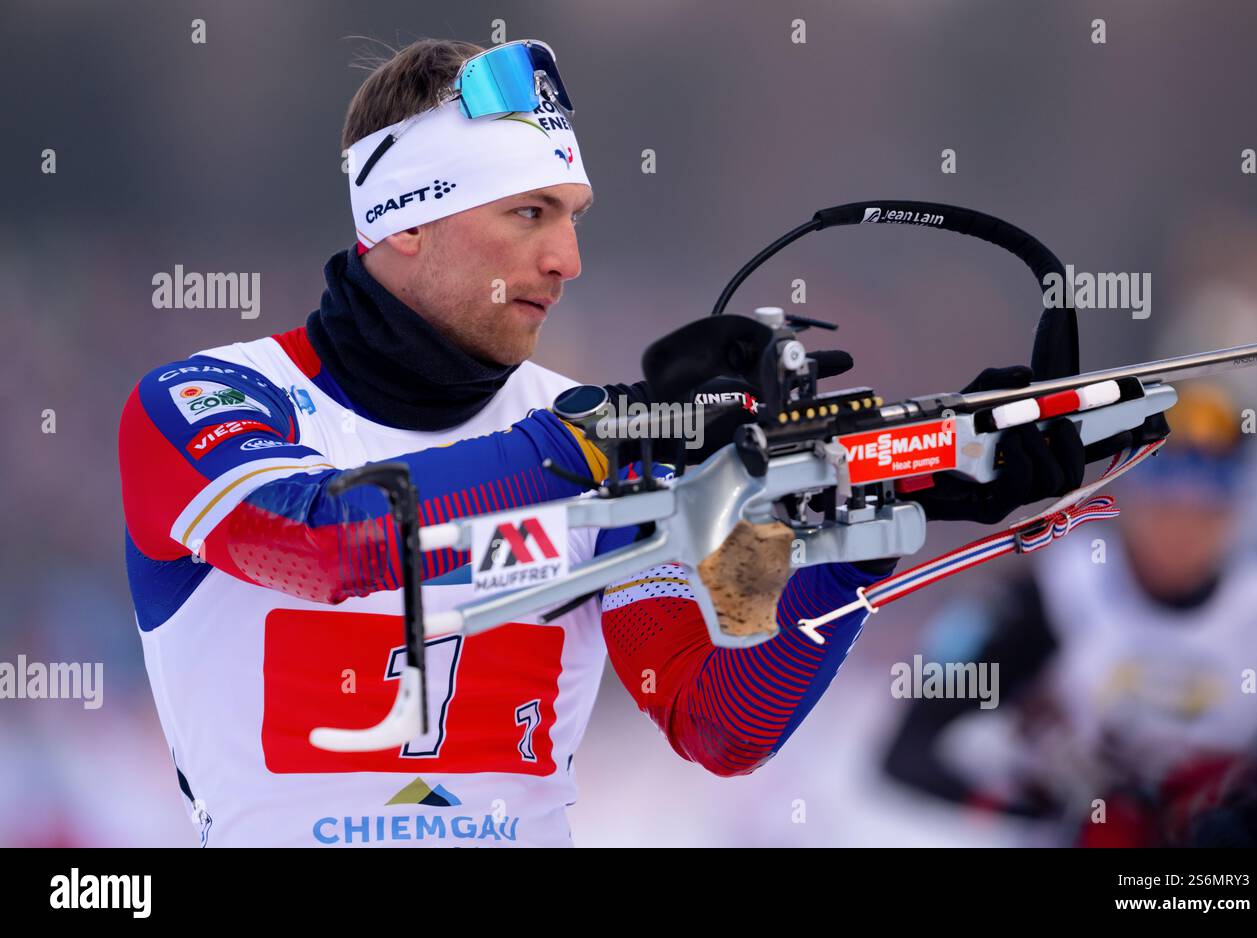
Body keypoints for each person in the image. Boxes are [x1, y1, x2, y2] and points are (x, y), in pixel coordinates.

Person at [117, 37, 1083, 847]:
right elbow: (319, 542)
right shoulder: (214, 400)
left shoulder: (592, 433)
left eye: (572, 219)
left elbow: (717, 718)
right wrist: (608, 436)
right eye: (529, 213)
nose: (566, 259)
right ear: (405, 223)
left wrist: (854, 530)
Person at [882, 383, 1257, 846]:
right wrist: (1049, 814)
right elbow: (907, 753)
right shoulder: (1052, 592)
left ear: (1235, 510)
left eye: (1204, 508)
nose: (1181, 529)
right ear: (1132, 498)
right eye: (1165, 503)